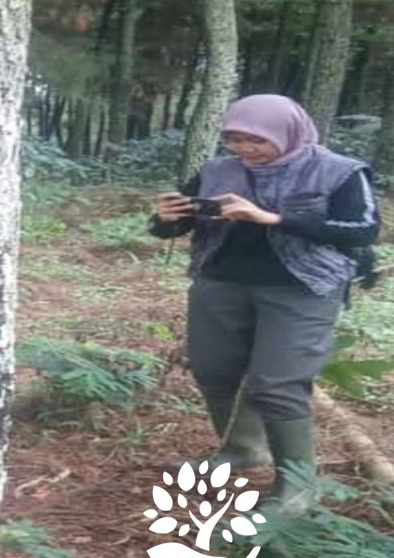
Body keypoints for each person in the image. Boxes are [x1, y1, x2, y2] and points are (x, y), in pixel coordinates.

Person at [149, 95, 380, 517]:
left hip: (304, 287)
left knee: (278, 383)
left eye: (256, 140)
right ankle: (242, 449)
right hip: (221, 281)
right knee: (214, 369)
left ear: (287, 132)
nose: (245, 149)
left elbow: (363, 230)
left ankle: (297, 486)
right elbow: (173, 227)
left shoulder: (339, 172)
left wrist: (273, 218)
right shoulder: (218, 171)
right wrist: (166, 218)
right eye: (235, 139)